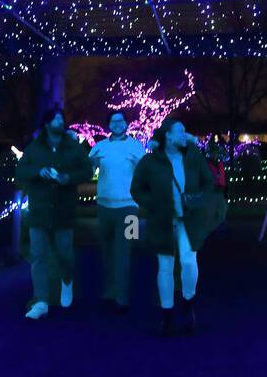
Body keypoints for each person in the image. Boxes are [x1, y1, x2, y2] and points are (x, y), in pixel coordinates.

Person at [130, 119, 223, 336]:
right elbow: (136, 189)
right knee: (165, 265)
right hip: (162, 220)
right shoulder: (150, 162)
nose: (185, 134)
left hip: (189, 220)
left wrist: (196, 200)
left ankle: (188, 305)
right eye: (180, 131)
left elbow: (209, 183)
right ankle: (167, 314)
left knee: (189, 261)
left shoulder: (193, 158)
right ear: (168, 136)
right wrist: (154, 204)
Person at [15, 106, 91, 320]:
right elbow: (20, 170)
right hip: (39, 211)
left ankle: (67, 280)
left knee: (64, 252)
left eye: (61, 118)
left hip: (63, 211)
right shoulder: (34, 148)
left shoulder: (73, 147)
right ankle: (41, 301)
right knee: (38, 256)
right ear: (47, 123)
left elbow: (86, 169)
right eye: (56, 118)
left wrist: (67, 178)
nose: (60, 121)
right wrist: (38, 172)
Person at [87, 111, 144, 313]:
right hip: (104, 207)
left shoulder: (136, 147)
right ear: (108, 124)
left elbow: (144, 172)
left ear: (127, 124)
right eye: (113, 121)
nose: (118, 124)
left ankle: (122, 297)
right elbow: (88, 169)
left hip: (130, 209)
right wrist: (91, 163)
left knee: (125, 251)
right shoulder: (100, 147)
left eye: (121, 120)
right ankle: (109, 292)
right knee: (107, 251)